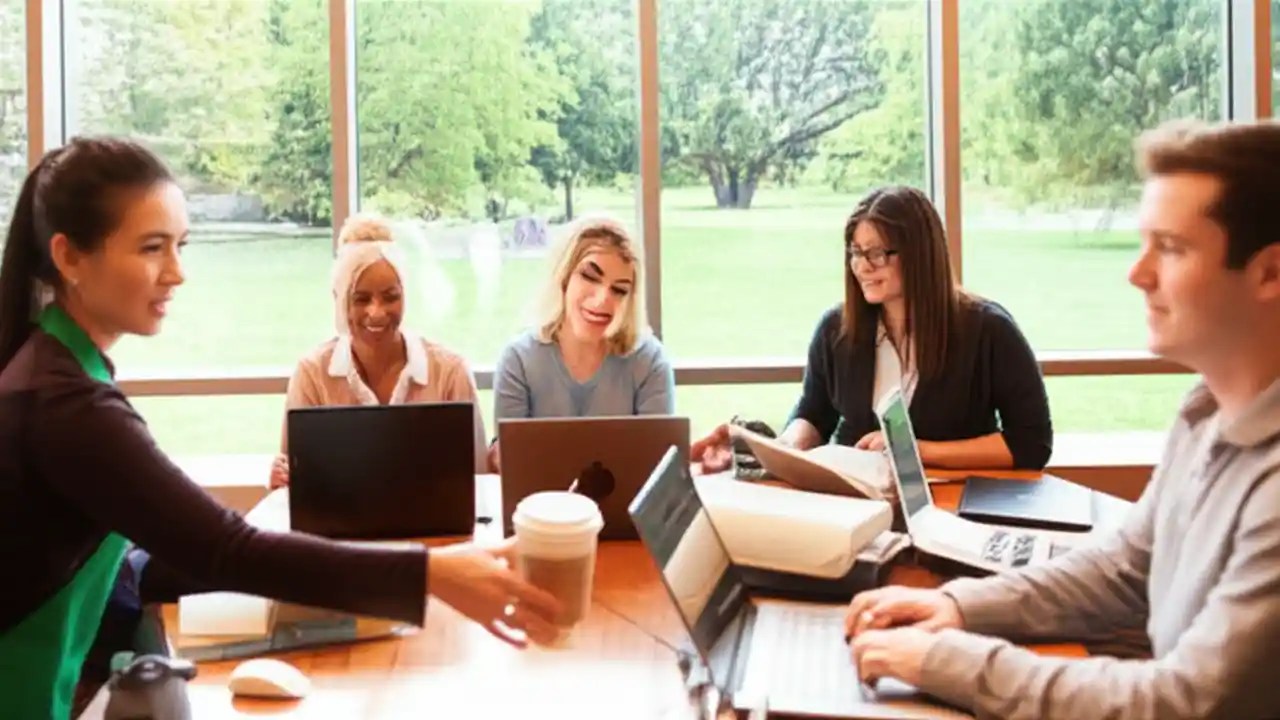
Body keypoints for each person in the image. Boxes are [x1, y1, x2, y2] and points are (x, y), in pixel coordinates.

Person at [0, 138, 560, 718]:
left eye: (180, 246)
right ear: (69, 258)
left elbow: (181, 542)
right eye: (152, 248)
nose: (177, 273)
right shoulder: (65, 404)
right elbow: (225, 550)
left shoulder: (62, 372)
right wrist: (432, 574)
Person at [845, 120, 1280, 719]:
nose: (1137, 273)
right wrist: (961, 608)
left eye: (1172, 248)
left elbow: (1187, 703)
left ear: (1271, 274)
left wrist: (939, 660)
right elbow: (1125, 569)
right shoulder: (1203, 412)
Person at [694, 185, 1051, 473]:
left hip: (952, 505)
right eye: (855, 252)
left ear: (919, 254)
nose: (862, 267)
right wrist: (766, 449)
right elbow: (813, 415)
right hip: (857, 505)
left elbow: (1031, 443)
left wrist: (917, 452)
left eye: (876, 253)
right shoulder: (836, 330)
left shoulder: (988, 330)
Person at [270, 213, 487, 488]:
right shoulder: (312, 374)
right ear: (340, 301)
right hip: (338, 530)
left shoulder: (450, 372)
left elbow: (480, 482)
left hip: (435, 531)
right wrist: (282, 479)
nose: (377, 312)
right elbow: (293, 485)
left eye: (390, 297)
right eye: (361, 299)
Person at [489, 215, 675, 471]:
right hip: (540, 509)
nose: (602, 300)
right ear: (563, 278)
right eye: (589, 276)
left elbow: (658, 466)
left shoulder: (650, 361)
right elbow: (504, 464)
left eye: (619, 290)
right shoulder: (518, 359)